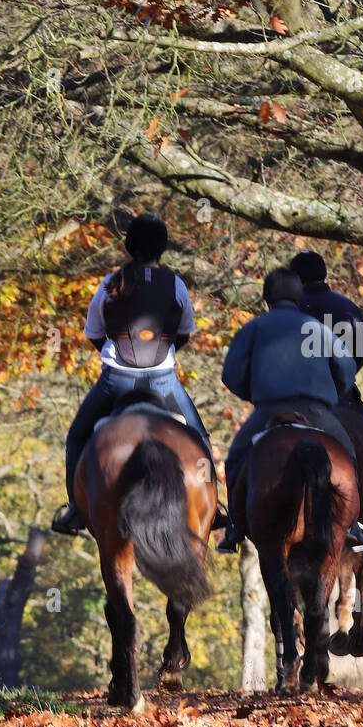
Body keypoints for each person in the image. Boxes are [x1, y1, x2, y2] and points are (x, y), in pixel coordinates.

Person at [51, 212, 223, 535]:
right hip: (163, 381)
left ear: (129, 246)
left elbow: (93, 332)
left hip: (116, 381)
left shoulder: (110, 283)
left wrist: (114, 354)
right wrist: (162, 354)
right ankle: (217, 507)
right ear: (163, 248)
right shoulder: (176, 284)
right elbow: (185, 331)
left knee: (76, 436)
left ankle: (75, 508)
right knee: (199, 437)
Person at [216, 267, 363, 553]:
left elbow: (231, 375)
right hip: (317, 412)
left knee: (235, 459)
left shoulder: (253, 327)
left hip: (269, 411)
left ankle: (234, 527)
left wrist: (255, 396)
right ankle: (351, 524)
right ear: (299, 297)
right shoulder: (318, 329)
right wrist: (329, 396)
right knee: (348, 457)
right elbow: (347, 370)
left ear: (266, 298)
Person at [288, 251, 363, 423]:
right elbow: (362, 352)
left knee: (245, 446)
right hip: (344, 397)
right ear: (324, 273)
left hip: (299, 400)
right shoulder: (348, 307)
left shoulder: (287, 310)